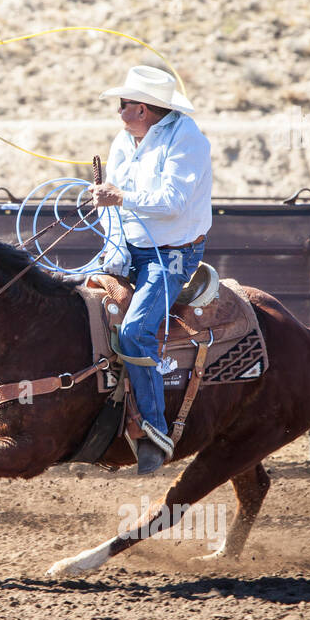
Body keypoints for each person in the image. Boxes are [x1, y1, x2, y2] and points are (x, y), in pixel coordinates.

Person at [90, 65, 212, 475]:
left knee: (135, 330)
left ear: (142, 109)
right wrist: (114, 243)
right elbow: (110, 205)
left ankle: (155, 432)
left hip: (173, 255)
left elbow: (172, 201)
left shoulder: (187, 139)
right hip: (133, 248)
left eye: (123, 105)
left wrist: (121, 196)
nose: (118, 111)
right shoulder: (124, 139)